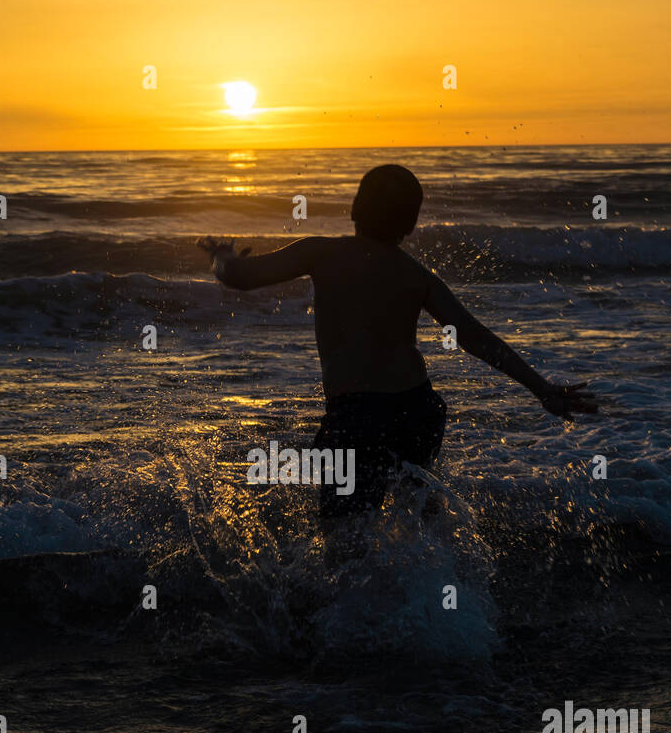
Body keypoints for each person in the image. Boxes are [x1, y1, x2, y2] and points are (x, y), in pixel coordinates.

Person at [198, 164, 598, 523]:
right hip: (417, 412)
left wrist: (221, 255)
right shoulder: (417, 276)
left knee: (344, 535)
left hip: (356, 418)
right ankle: (438, 587)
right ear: (410, 224)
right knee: (417, 521)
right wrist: (541, 388)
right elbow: (474, 337)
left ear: (353, 209)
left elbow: (240, 277)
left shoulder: (321, 253)